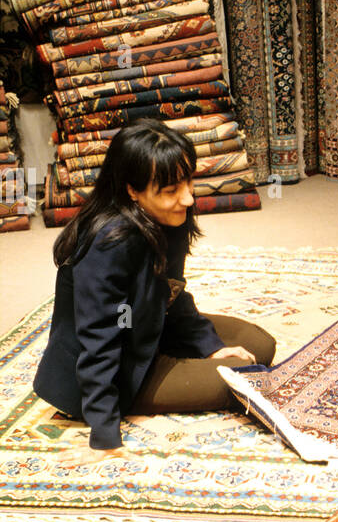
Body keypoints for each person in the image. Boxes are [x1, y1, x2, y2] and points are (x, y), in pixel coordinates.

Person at [33, 118, 276, 454]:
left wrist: (210, 346)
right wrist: (104, 431)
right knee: (245, 376)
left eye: (188, 182)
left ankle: (188, 354)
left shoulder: (167, 218)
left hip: (146, 329)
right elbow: (101, 335)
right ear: (132, 191)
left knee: (258, 345)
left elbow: (172, 293)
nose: (188, 198)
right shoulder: (109, 242)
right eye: (171, 190)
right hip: (118, 366)